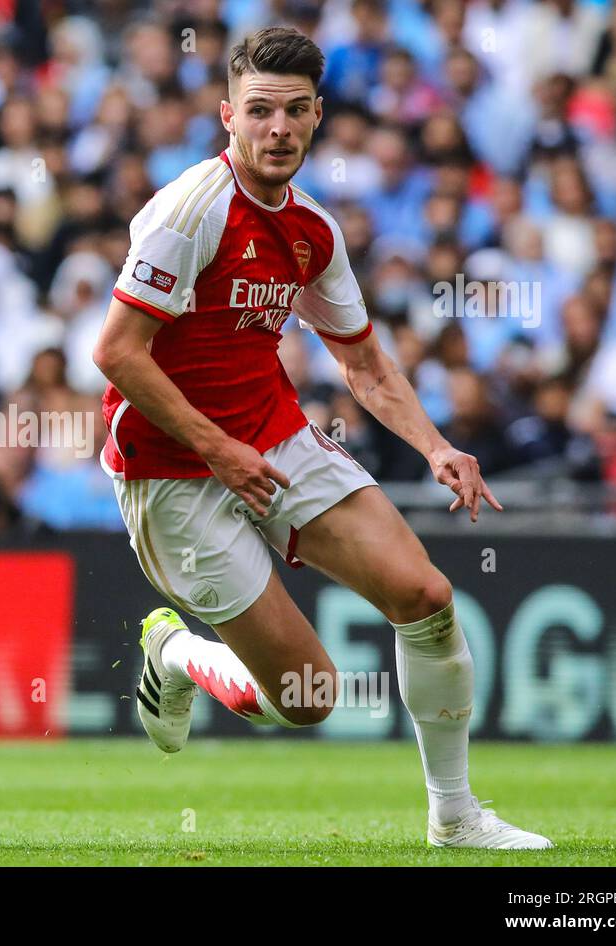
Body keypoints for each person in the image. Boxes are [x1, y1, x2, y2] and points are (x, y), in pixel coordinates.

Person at [92, 28, 551, 850]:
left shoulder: (313, 229)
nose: (278, 128)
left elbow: (363, 362)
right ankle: (176, 655)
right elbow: (117, 354)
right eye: (260, 110)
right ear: (228, 116)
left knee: (425, 598)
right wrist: (217, 450)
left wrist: (435, 446)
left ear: (316, 116)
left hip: (273, 437)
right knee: (308, 698)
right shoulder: (189, 212)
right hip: (171, 469)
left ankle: (454, 817)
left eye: (295, 111)